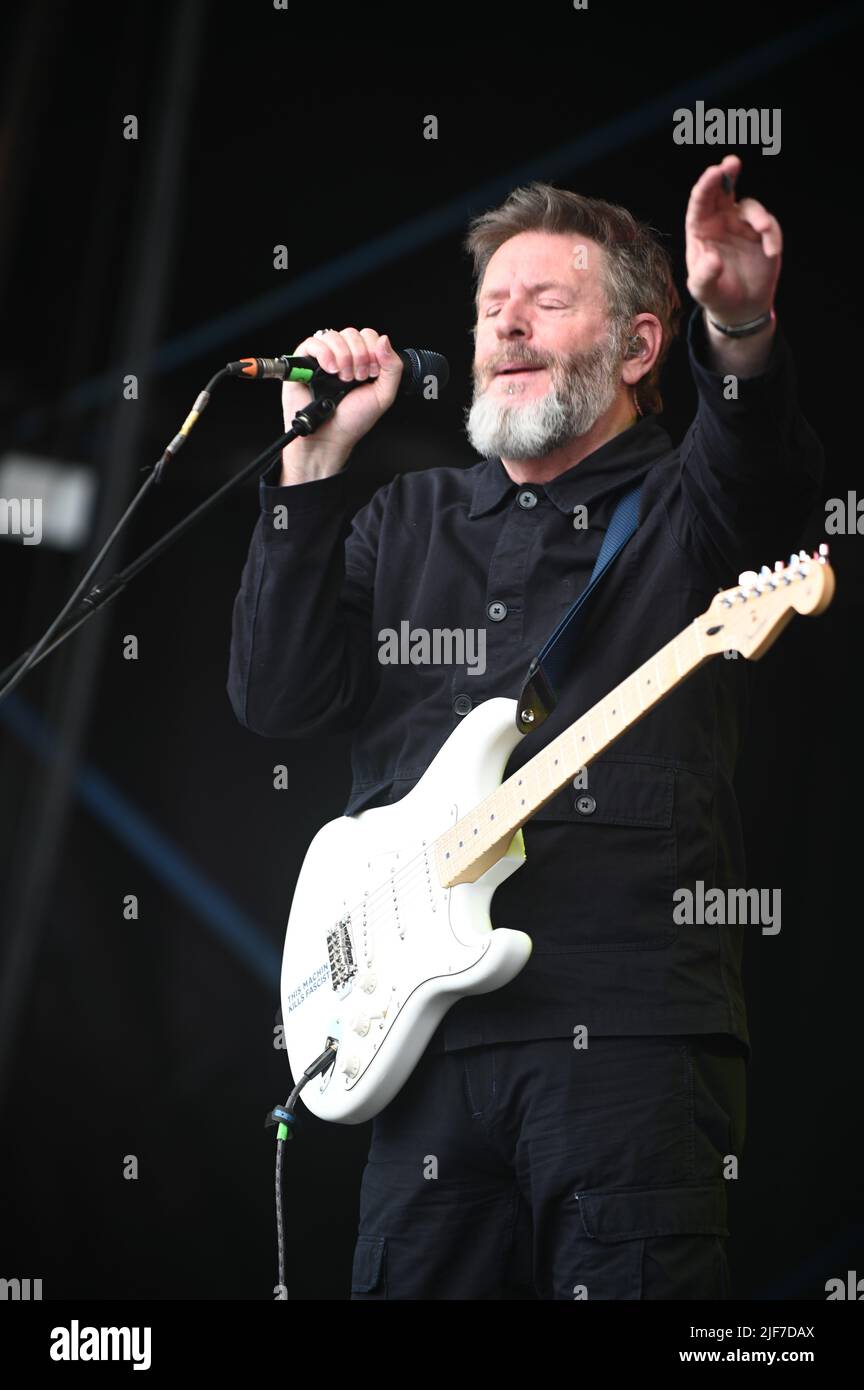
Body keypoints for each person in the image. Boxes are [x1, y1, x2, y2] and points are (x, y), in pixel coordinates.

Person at [227, 154, 823, 1299]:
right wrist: (312, 461)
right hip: (421, 1039)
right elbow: (277, 697)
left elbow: (766, 476)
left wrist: (739, 324)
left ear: (641, 347)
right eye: (492, 305)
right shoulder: (409, 516)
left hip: (627, 1031)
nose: (506, 323)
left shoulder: (688, 501)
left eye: (547, 301)